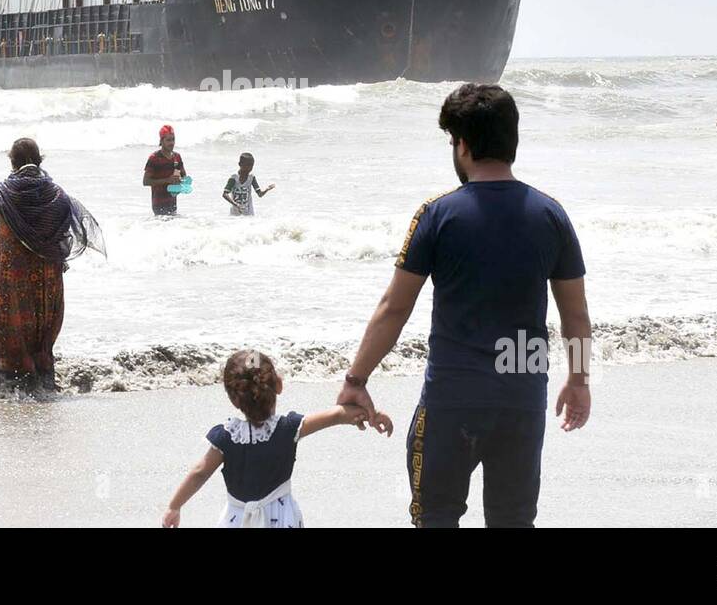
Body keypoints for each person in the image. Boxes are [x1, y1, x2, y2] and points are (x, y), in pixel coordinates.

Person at [337, 83, 592, 528]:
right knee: (513, 521)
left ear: (464, 145)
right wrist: (580, 379)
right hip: (522, 395)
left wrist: (356, 378)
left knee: (435, 517)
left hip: (453, 399)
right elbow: (576, 315)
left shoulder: (438, 215)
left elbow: (394, 309)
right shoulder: (551, 215)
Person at [162, 349, 392, 528]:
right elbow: (335, 416)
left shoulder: (226, 437)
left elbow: (199, 472)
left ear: (234, 400)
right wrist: (371, 414)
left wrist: (174, 506)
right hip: (282, 517)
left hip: (237, 519)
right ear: (279, 385)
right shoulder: (287, 429)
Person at [0, 138, 104, 391]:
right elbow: (65, 227)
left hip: (11, 272)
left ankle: (14, 378)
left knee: (12, 316)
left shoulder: (1, 193)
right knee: (42, 317)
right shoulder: (57, 194)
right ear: (39, 160)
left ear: (12, 162)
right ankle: (41, 370)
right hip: (47, 271)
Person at [143, 124, 186, 216]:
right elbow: (146, 181)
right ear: (161, 141)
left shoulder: (177, 157)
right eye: (168, 140)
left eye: (173, 139)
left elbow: (184, 177)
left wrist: (180, 182)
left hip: (172, 204)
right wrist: (167, 180)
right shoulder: (154, 158)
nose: (172, 143)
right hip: (159, 205)